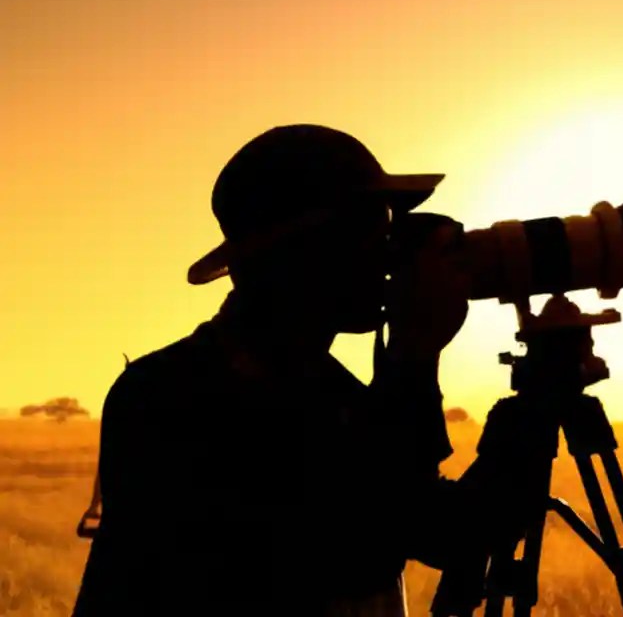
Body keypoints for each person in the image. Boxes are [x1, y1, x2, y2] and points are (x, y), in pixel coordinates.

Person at [72, 125, 541, 616]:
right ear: (309, 251)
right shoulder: (173, 400)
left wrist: (535, 402)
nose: (389, 257)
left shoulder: (318, 388)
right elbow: (370, 545)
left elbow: (446, 527)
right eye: (374, 231)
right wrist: (413, 354)